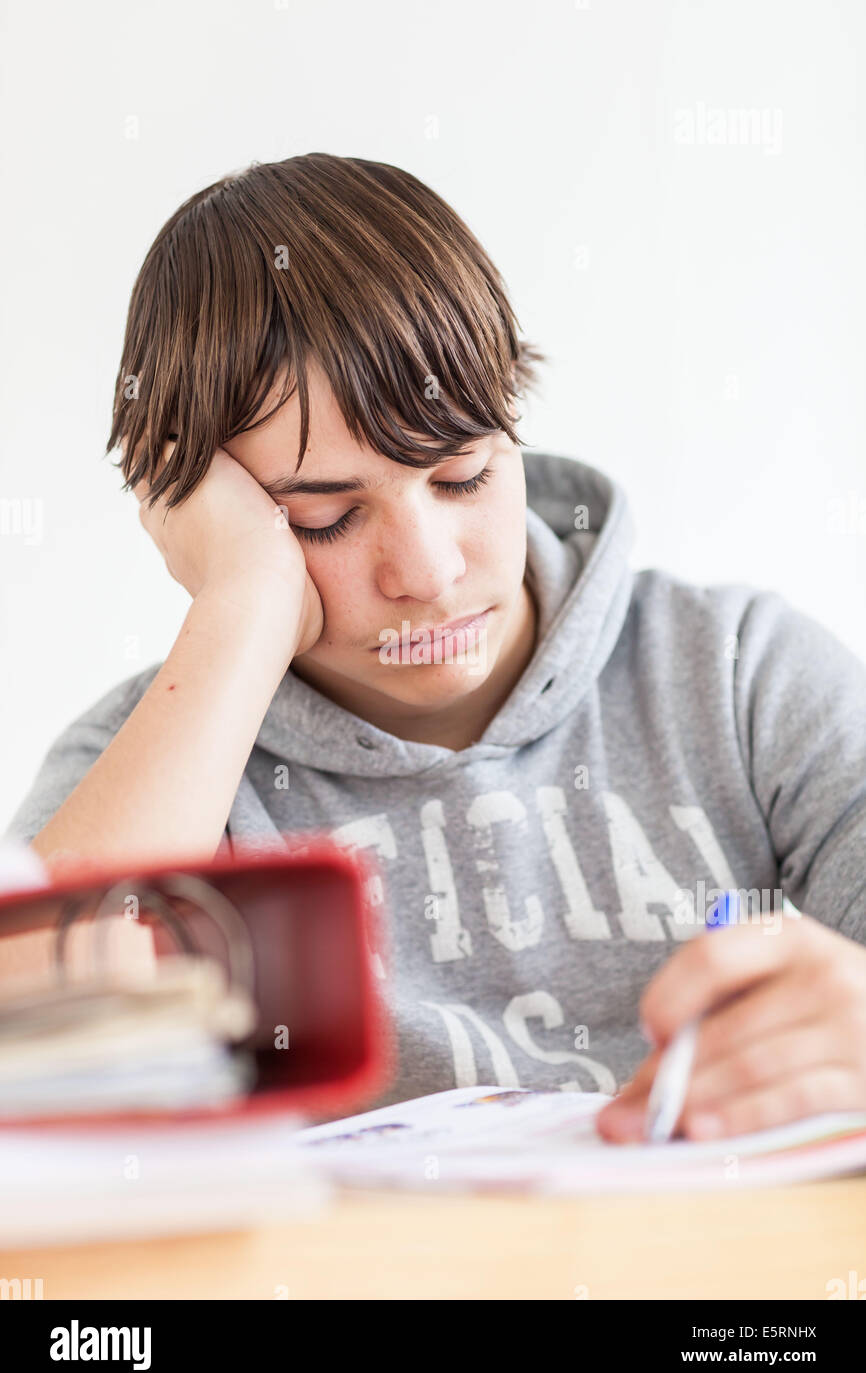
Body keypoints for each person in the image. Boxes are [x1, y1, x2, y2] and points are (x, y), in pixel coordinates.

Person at [6, 153, 866, 1143]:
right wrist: (241, 604)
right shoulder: (154, 763)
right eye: (323, 517)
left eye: (461, 475)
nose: (426, 570)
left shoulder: (741, 676)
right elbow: (21, 1054)